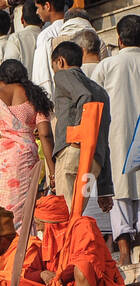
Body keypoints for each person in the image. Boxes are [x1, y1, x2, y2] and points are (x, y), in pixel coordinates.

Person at [0, 61, 54, 230]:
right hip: (25, 159)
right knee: (23, 214)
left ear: (1, 80)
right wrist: (52, 171)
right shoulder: (34, 98)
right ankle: (22, 245)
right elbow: (45, 134)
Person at [50, 41, 114, 218]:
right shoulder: (100, 91)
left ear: (60, 62)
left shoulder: (62, 75)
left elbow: (84, 95)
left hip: (72, 152)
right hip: (94, 162)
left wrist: (78, 137)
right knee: (76, 213)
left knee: (66, 215)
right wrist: (105, 189)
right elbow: (103, 139)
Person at [95, 15, 140, 264]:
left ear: (119, 40)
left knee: (120, 190)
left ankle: (124, 252)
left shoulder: (107, 66)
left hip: (117, 136)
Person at [31, 0, 71, 93]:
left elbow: (42, 75)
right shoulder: (74, 26)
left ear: (47, 6)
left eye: (38, 8)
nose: (37, 12)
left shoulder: (46, 35)